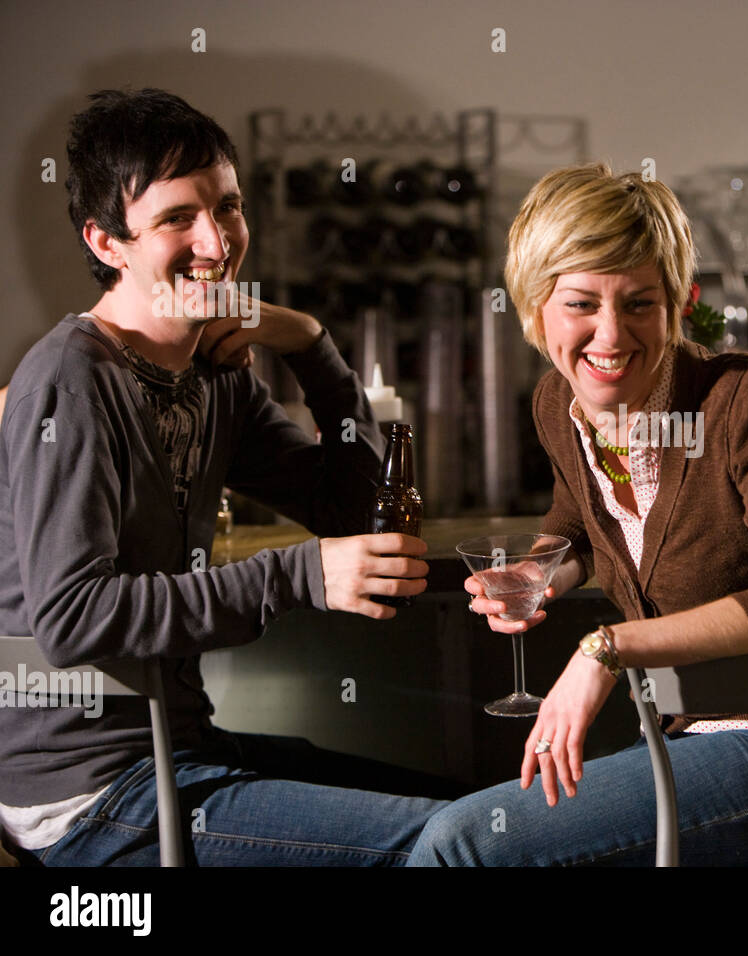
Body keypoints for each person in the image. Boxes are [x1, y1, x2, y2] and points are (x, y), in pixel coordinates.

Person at [0, 89, 450, 865]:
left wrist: (309, 344)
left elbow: (349, 510)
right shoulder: (71, 381)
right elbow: (71, 618)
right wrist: (298, 573)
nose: (217, 240)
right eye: (178, 217)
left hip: (178, 750)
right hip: (85, 795)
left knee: (462, 813)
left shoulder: (215, 380)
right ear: (107, 242)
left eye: (229, 207)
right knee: (443, 843)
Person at [408, 163, 748, 866]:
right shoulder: (558, 404)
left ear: (677, 303)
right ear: (533, 309)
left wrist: (607, 648)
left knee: (462, 845)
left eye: (640, 303)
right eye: (581, 303)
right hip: (678, 739)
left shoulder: (746, 400)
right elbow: (578, 519)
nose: (610, 335)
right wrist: (541, 572)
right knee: (447, 837)